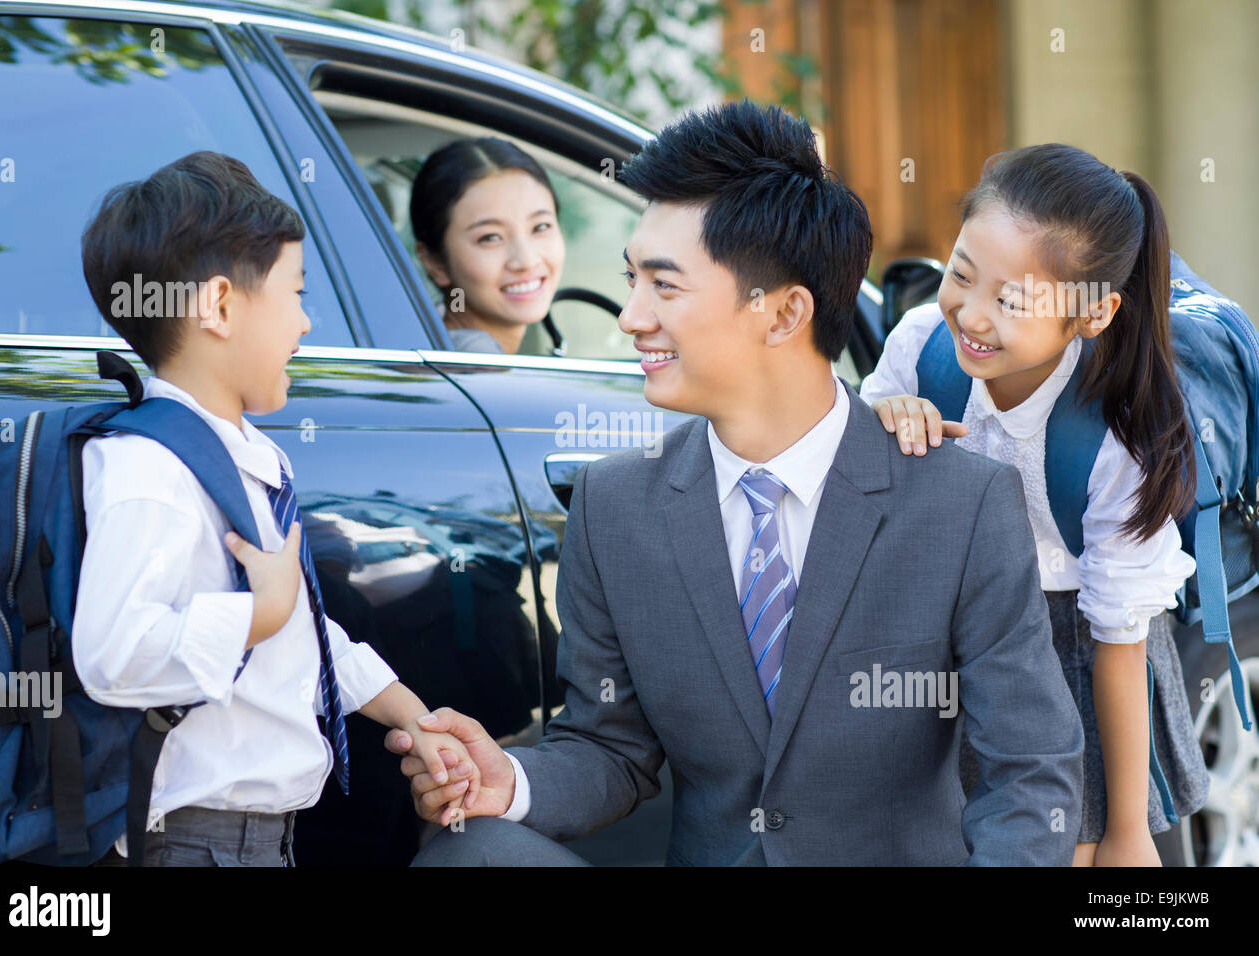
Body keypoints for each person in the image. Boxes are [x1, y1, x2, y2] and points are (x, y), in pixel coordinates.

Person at [387, 101, 1084, 866]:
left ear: (783, 313)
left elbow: (1030, 777)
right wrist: (510, 782)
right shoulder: (615, 507)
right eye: (631, 280)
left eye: (665, 286)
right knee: (472, 854)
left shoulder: (961, 504)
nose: (629, 316)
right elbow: (607, 750)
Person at [75, 151, 476, 866]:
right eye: (295, 293)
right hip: (191, 844)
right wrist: (257, 611)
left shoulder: (247, 453)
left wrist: (405, 710)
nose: (307, 322)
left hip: (262, 840)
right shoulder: (148, 467)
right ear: (220, 307)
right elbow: (114, 654)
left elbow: (291, 624)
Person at [858, 144, 1209, 867]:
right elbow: (856, 484)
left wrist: (1126, 830)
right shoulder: (922, 344)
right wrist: (884, 424)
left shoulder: (1116, 438)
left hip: (1068, 652)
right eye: (960, 274)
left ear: (1092, 314)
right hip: (942, 641)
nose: (971, 315)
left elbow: (1118, 642)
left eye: (1011, 300)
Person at [410, 137, 566, 354]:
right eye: (491, 238)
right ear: (435, 263)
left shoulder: (433, 337)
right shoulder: (471, 372)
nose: (526, 261)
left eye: (540, 227)